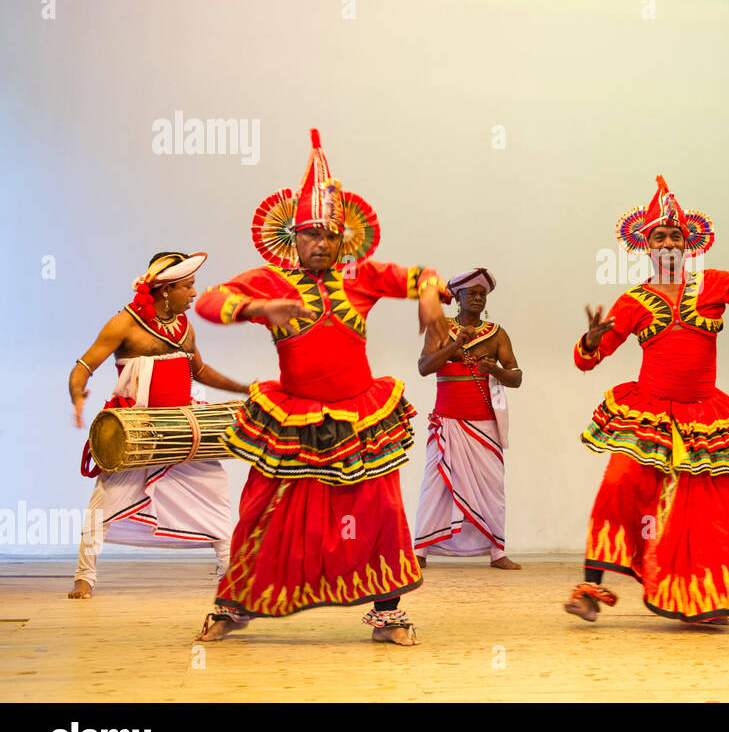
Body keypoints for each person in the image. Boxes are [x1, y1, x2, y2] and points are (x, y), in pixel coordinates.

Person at [193, 129, 449, 646]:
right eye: (310, 234)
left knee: (379, 509)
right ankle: (234, 603)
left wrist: (430, 297)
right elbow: (208, 301)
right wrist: (257, 308)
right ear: (293, 236)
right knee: (264, 507)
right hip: (297, 417)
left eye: (329, 235)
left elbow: (425, 274)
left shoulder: (360, 276)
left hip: (359, 415)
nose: (320, 243)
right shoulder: (269, 281)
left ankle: (387, 613)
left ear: (342, 239)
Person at [565, 174, 729, 625]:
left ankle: (699, 597)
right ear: (646, 245)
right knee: (620, 486)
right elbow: (588, 361)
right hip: (649, 412)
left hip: (702, 416)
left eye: (674, 235)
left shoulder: (714, 285)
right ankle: (591, 588)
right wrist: (590, 339)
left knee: (707, 510)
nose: (668, 242)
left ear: (687, 244)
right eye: (659, 235)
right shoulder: (633, 301)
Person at [67, 251, 247, 598]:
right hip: (137, 431)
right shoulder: (124, 324)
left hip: (180, 428)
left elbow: (199, 371)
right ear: (166, 289)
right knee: (104, 501)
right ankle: (84, 578)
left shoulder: (184, 327)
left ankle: (230, 575)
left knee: (215, 491)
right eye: (188, 286)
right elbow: (83, 366)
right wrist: (77, 395)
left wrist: (242, 388)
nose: (194, 293)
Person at [413, 267, 523, 569]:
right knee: (435, 487)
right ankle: (420, 550)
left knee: (492, 487)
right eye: (470, 293)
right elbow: (424, 367)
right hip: (447, 421)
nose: (476, 298)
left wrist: (496, 371)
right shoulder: (440, 327)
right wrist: (454, 346)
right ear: (458, 297)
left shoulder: (497, 333)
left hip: (485, 424)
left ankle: (497, 552)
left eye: (481, 294)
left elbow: (516, 378)